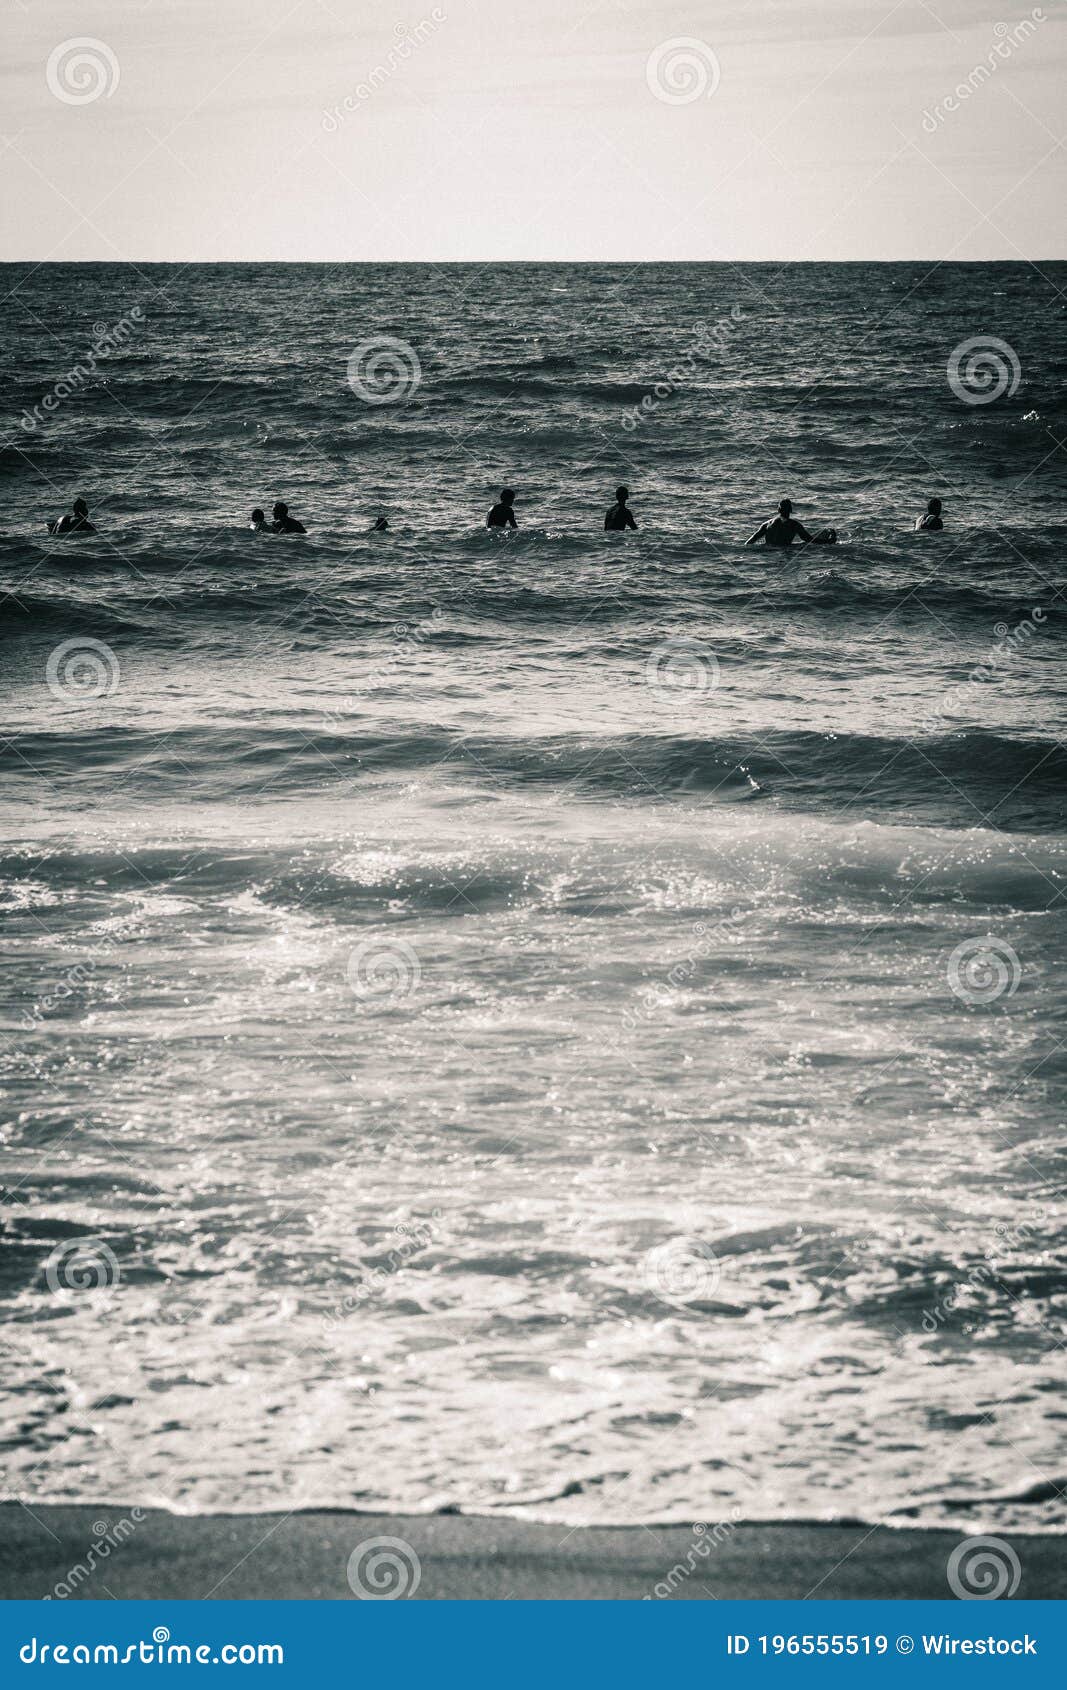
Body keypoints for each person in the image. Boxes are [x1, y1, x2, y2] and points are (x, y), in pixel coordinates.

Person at [746, 498, 813, 547]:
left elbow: (749, 542)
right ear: (791, 510)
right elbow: (809, 539)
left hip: (768, 552)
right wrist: (823, 542)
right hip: (786, 550)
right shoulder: (795, 525)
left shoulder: (766, 524)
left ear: (778, 510)